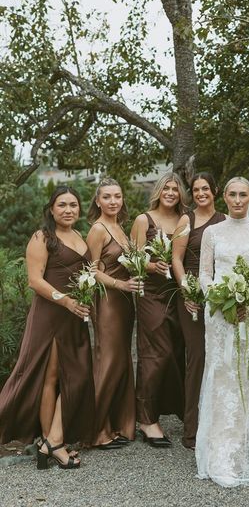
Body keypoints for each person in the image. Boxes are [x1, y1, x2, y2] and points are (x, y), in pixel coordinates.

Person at [0, 186, 95, 469]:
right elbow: (35, 280)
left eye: (74, 205)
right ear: (51, 209)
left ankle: (49, 442)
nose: (69, 210)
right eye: (62, 205)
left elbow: (87, 271)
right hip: (52, 314)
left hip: (76, 314)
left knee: (76, 374)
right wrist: (66, 301)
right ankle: (53, 442)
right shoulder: (42, 237)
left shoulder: (79, 235)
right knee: (51, 377)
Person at [196, 177, 249, 487]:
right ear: (225, 197)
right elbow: (205, 274)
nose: (238, 200)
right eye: (233, 194)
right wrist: (221, 297)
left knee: (244, 373)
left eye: (244, 194)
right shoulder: (212, 233)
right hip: (218, 314)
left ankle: (244, 447)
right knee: (220, 373)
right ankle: (216, 448)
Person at [131, 172, 187, 447]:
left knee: (176, 351)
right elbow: (134, 260)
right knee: (155, 353)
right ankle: (146, 419)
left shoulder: (185, 219)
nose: (171, 193)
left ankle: (175, 409)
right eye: (166, 188)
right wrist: (153, 266)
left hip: (177, 294)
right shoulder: (144, 220)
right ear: (158, 191)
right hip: (151, 294)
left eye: (175, 189)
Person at [172, 172, 226, 450]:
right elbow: (176, 258)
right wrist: (186, 290)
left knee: (218, 357)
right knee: (197, 357)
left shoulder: (226, 222)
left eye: (206, 188)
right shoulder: (187, 220)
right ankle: (192, 429)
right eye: (196, 190)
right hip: (192, 294)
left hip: (219, 296)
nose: (201, 193)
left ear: (215, 191)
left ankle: (217, 424)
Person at [86, 178, 141, 449]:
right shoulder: (98, 229)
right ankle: (94, 430)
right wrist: (120, 283)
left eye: (117, 196)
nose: (113, 201)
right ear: (98, 201)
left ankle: (117, 425)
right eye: (107, 197)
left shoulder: (120, 227)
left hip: (124, 302)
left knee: (120, 361)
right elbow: (91, 270)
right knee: (107, 361)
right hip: (107, 301)